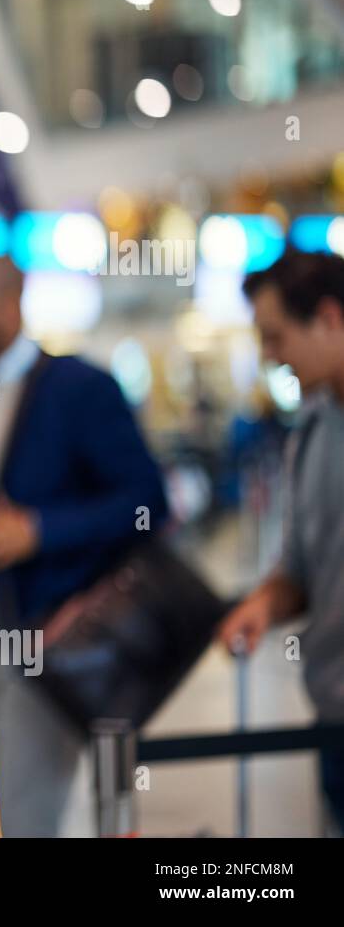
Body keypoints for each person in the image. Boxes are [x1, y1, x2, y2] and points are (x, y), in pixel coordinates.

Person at [0, 255, 170, 837]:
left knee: (24, 815)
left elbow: (147, 500)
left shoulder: (79, 389)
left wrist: (41, 529)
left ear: (10, 304)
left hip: (41, 639)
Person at [218, 249, 344, 834]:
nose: (270, 356)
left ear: (329, 318)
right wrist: (265, 603)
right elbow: (299, 566)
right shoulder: (312, 430)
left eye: (276, 337)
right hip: (334, 718)